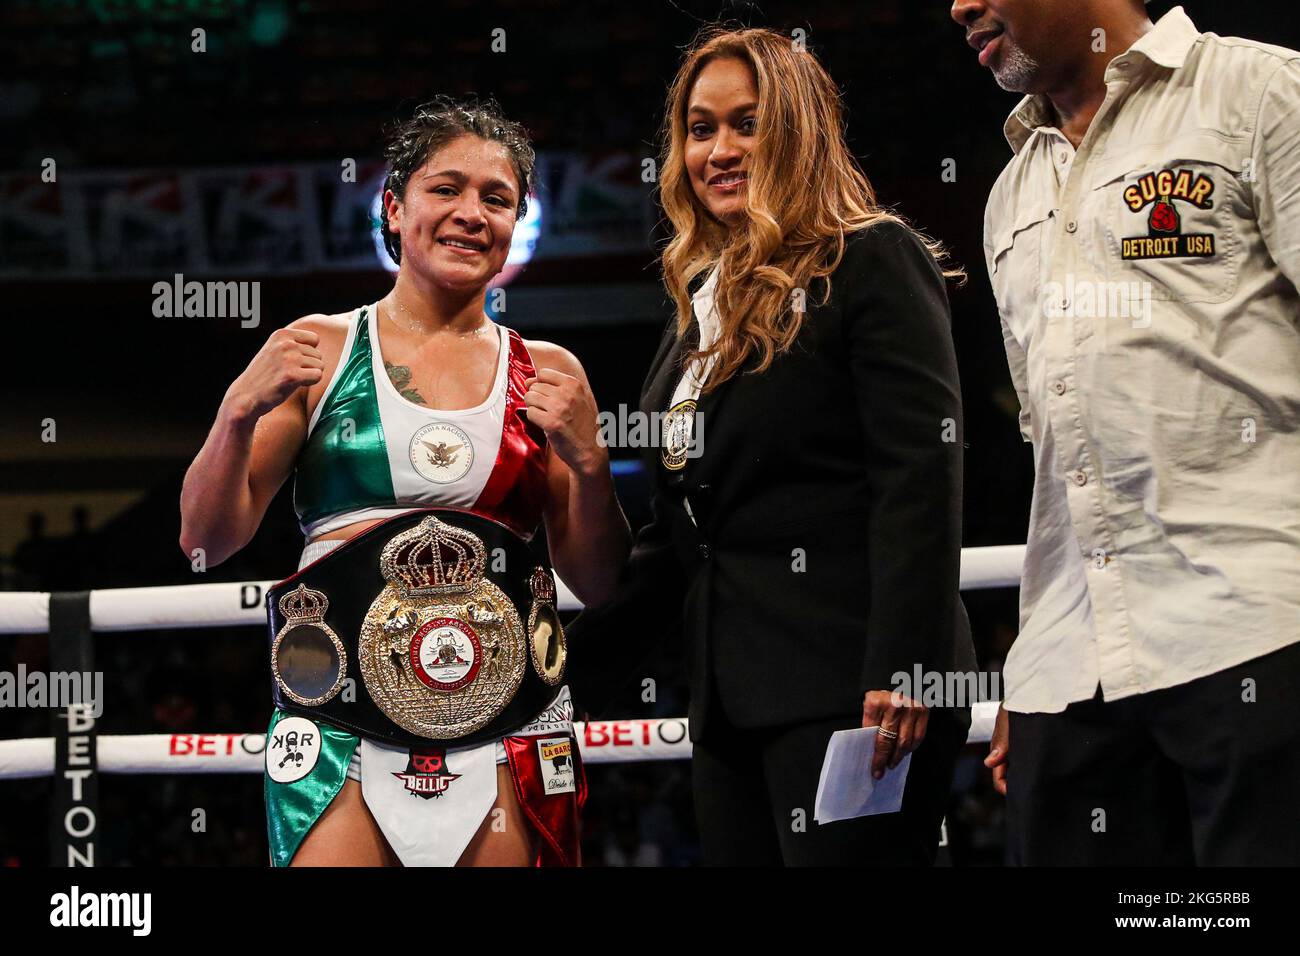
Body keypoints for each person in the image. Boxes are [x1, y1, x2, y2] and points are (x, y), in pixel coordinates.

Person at [179, 95, 630, 866]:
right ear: (394, 208)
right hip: (341, 725)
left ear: (515, 224)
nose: (470, 213)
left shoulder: (550, 373)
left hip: (508, 721)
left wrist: (590, 463)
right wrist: (234, 413)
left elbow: (598, 579)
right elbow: (205, 542)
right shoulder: (317, 353)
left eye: (497, 198)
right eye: (446, 188)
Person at [570, 26, 976, 866]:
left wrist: (904, 666)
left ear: (797, 130)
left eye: (747, 124)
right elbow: (689, 536)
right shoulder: (702, 302)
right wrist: (545, 671)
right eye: (701, 128)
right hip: (731, 699)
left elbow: (922, 472)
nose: (720, 150)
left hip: (855, 688)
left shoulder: (870, 258)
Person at [951, 0, 1300, 864]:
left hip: (1259, 627)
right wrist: (1038, 664)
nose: (957, 5)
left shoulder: (1258, 91)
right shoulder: (1010, 192)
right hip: (1073, 672)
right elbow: (1059, 453)